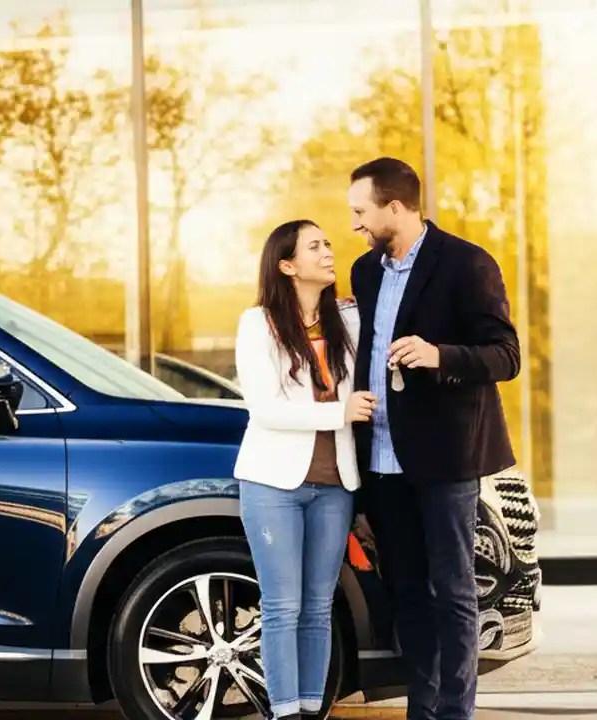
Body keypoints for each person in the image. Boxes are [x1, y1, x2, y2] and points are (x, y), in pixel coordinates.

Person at [346, 157, 520, 720]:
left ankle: (455, 713)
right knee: (408, 595)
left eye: (361, 211)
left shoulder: (468, 264)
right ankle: (422, 709)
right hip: (381, 457)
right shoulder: (364, 271)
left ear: (394, 207)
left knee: (453, 592)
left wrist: (439, 355)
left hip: (446, 460)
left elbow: (506, 356)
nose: (355, 224)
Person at [233, 219, 378, 720]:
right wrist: (338, 411)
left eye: (328, 243)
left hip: (335, 485)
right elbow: (265, 409)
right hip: (272, 483)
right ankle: (284, 712)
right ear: (287, 265)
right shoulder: (259, 324)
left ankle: (311, 710)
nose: (328, 251)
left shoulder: (348, 321)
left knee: (319, 608)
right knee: (282, 607)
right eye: (314, 246)